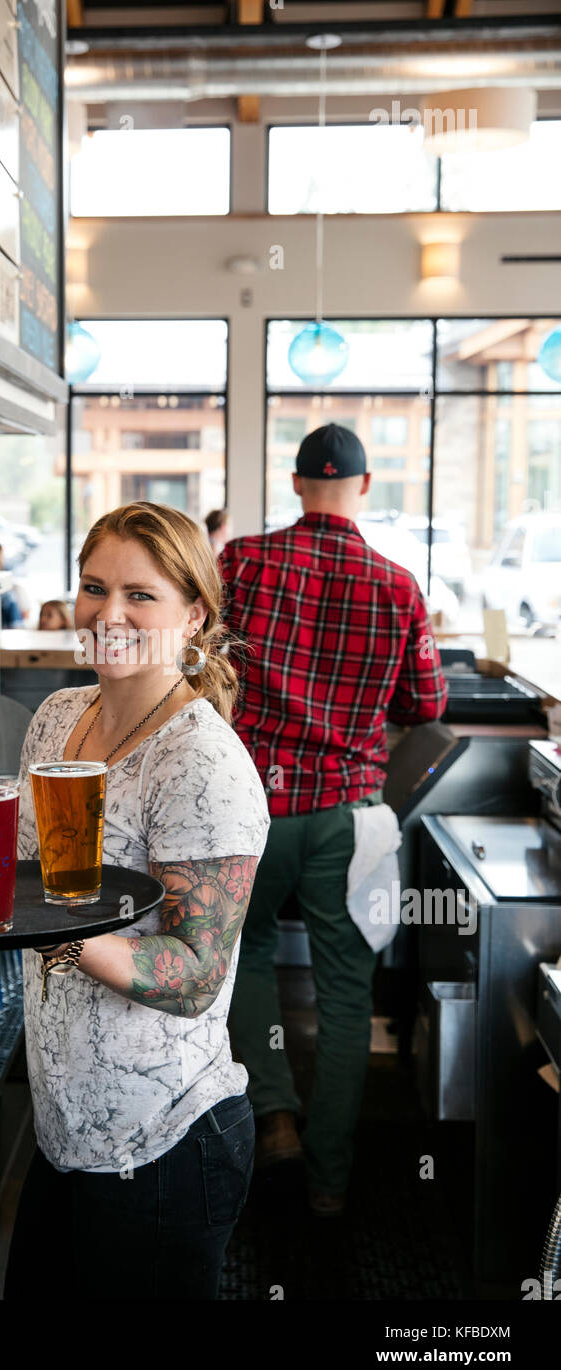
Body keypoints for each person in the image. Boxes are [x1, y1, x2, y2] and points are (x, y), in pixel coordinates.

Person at [4, 501, 270, 1300]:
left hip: (164, 1140)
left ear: (194, 615)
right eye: (93, 587)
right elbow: (29, 881)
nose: (107, 613)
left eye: (139, 594)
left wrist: (50, 931)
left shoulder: (199, 762)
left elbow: (193, 975)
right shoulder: (57, 717)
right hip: (63, 1128)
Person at [219, 423, 447, 1217]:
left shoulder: (242, 561)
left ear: (294, 482)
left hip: (257, 807)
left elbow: (204, 661)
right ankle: (330, 1183)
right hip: (350, 815)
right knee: (346, 992)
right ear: (365, 484)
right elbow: (426, 705)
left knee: (243, 954)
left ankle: (273, 1116)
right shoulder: (397, 583)